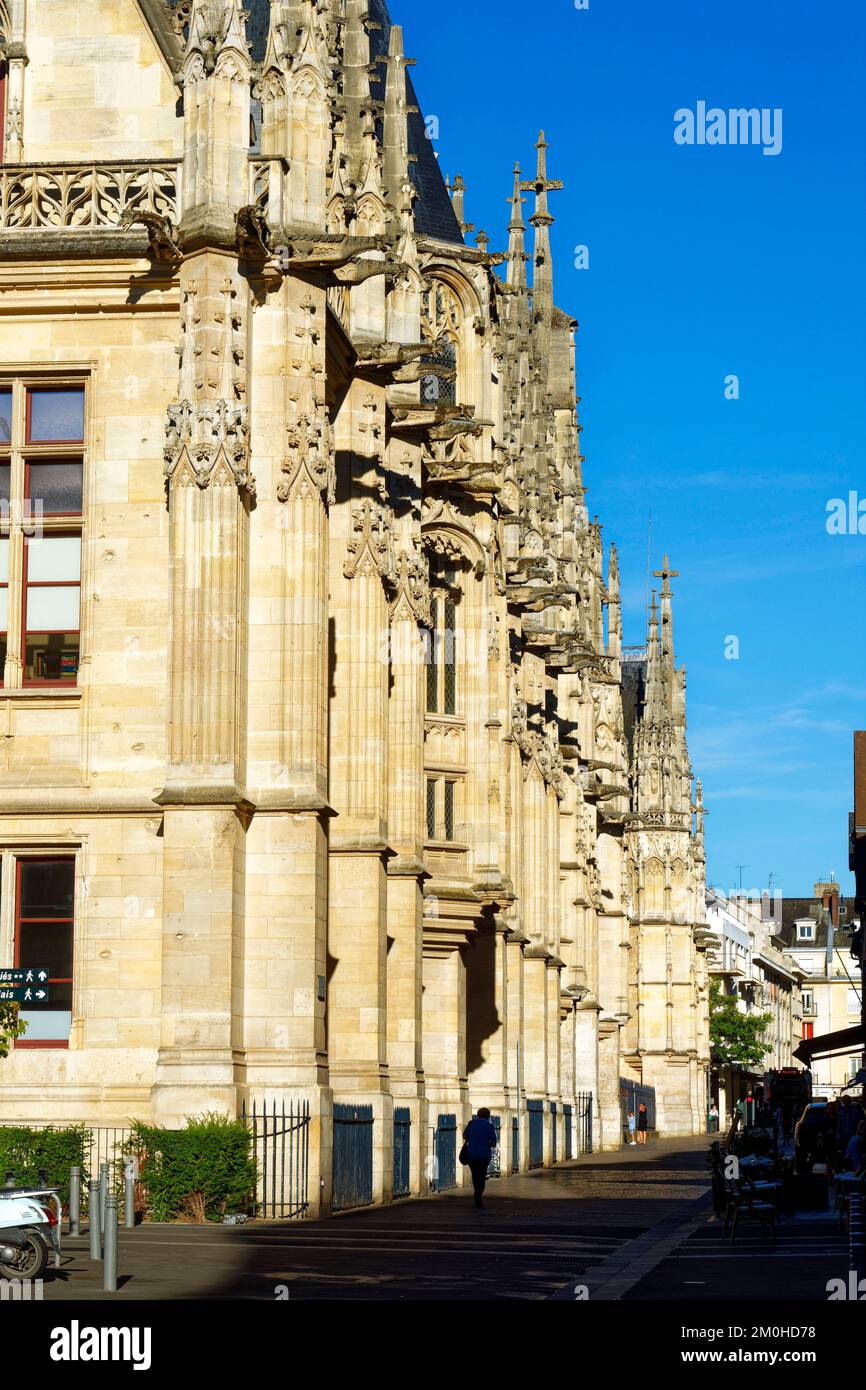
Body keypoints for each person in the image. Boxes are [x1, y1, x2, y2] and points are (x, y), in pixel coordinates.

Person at [462, 1107, 498, 1208]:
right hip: (484, 1155)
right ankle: (478, 1194)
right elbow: (494, 1142)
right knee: (482, 1176)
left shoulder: (471, 1123)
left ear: (478, 1115)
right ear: (488, 1116)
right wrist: (486, 1144)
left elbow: (464, 1135)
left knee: (475, 1175)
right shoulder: (489, 1126)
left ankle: (477, 1192)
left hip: (471, 1154)